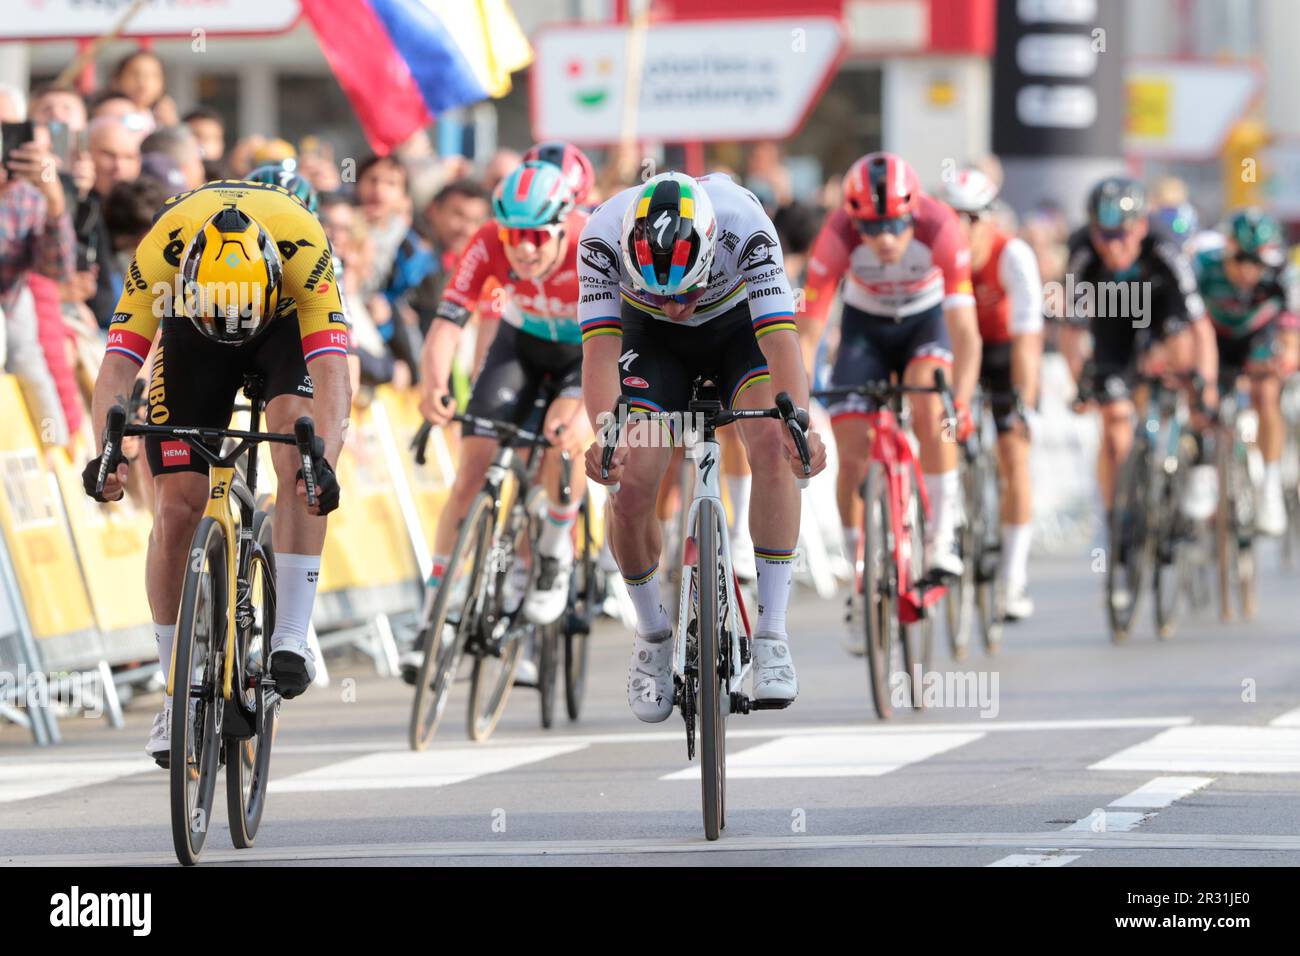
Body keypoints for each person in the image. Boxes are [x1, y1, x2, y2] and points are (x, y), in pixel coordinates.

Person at [82, 177, 351, 764]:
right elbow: (116, 366)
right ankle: (175, 693)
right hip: (192, 332)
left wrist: (325, 460)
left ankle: (290, 638)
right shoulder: (160, 252)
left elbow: (332, 369)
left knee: (296, 455)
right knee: (176, 507)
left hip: (282, 329)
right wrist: (105, 451)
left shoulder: (304, 249)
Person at [579, 170, 827, 722]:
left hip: (738, 329)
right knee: (633, 481)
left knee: (771, 444)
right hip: (648, 341)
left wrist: (800, 429)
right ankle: (652, 634)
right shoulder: (598, 235)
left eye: (686, 290)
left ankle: (771, 635)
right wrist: (606, 435)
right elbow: (599, 353)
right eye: (660, 292)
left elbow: (781, 341)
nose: (675, 305)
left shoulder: (747, 227)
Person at [408, 161, 592, 684]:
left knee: (562, 438)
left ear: (561, 226)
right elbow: (448, 321)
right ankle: (432, 620)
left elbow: (624, 342)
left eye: (538, 236)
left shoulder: (593, 242)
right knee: (471, 473)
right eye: (515, 236)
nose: (525, 249)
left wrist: (591, 416)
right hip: (523, 345)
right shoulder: (488, 240)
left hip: (586, 350)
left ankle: (556, 545)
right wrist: (434, 384)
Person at [801, 152, 980, 653]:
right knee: (851, 445)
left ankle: (941, 535)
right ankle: (862, 579)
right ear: (854, 220)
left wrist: (959, 402)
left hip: (927, 323)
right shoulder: (836, 233)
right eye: (871, 227)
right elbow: (809, 330)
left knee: (930, 398)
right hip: (866, 330)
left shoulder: (942, 227)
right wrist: (794, 403)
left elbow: (965, 331)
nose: (883, 239)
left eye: (895, 225)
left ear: (914, 214)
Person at [1059, 177, 1219, 609]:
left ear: (1142, 227)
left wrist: (1203, 389)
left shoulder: (1165, 251)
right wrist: (1081, 384)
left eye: (1122, 234)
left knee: (1182, 366)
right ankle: (1119, 519)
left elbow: (1200, 328)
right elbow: (1072, 331)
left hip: (1163, 316)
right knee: (1113, 424)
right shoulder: (1081, 252)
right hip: (1115, 320)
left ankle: (1187, 462)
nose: (1112, 245)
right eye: (1103, 234)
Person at [941, 167, 1044, 620]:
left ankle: (1013, 578)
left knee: (1013, 452)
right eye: (952, 216)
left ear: (988, 219)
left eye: (972, 218)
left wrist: (1025, 403)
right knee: (936, 430)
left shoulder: (1013, 254)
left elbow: (1028, 339)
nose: (962, 228)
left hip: (1003, 352)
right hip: (954, 348)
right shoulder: (937, 253)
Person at [1193, 209, 1300, 535]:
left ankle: (1269, 486)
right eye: (1239, 259)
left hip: (1258, 336)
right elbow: (1183, 324)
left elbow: (1291, 331)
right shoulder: (1203, 267)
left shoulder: (1283, 273)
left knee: (1266, 393)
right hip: (1213, 337)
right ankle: (1201, 470)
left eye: (1256, 262)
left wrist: (1283, 360)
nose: (1247, 270)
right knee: (1198, 394)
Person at [81, 117, 144, 327]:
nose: (118, 166)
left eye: (128, 157)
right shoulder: (73, 206)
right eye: (108, 154)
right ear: (84, 155)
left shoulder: (146, 209)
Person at [109, 50, 178, 127]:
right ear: (117, 81)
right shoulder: (111, 113)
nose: (143, 83)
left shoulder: (157, 117)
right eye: (135, 74)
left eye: (152, 75)